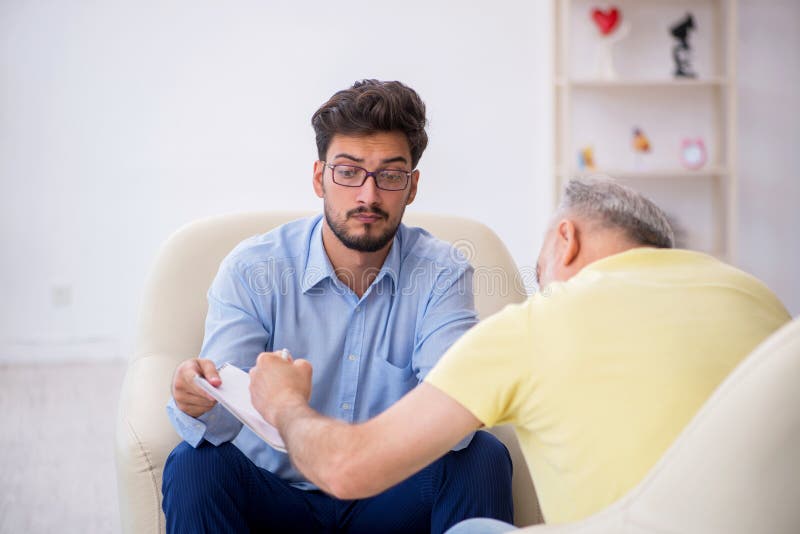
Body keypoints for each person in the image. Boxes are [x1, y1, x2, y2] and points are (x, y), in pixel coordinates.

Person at [249, 178, 791, 532]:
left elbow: (347, 468)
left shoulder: (539, 324)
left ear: (565, 240)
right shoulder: (760, 300)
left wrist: (284, 404)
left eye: (539, 272)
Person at [161, 79, 514, 534]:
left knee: (481, 457)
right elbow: (219, 423)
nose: (367, 196)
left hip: (390, 499)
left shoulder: (441, 272)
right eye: (348, 171)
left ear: (412, 186)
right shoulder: (254, 269)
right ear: (319, 178)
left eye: (389, 175)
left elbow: (456, 422)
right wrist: (195, 400)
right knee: (194, 464)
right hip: (275, 496)